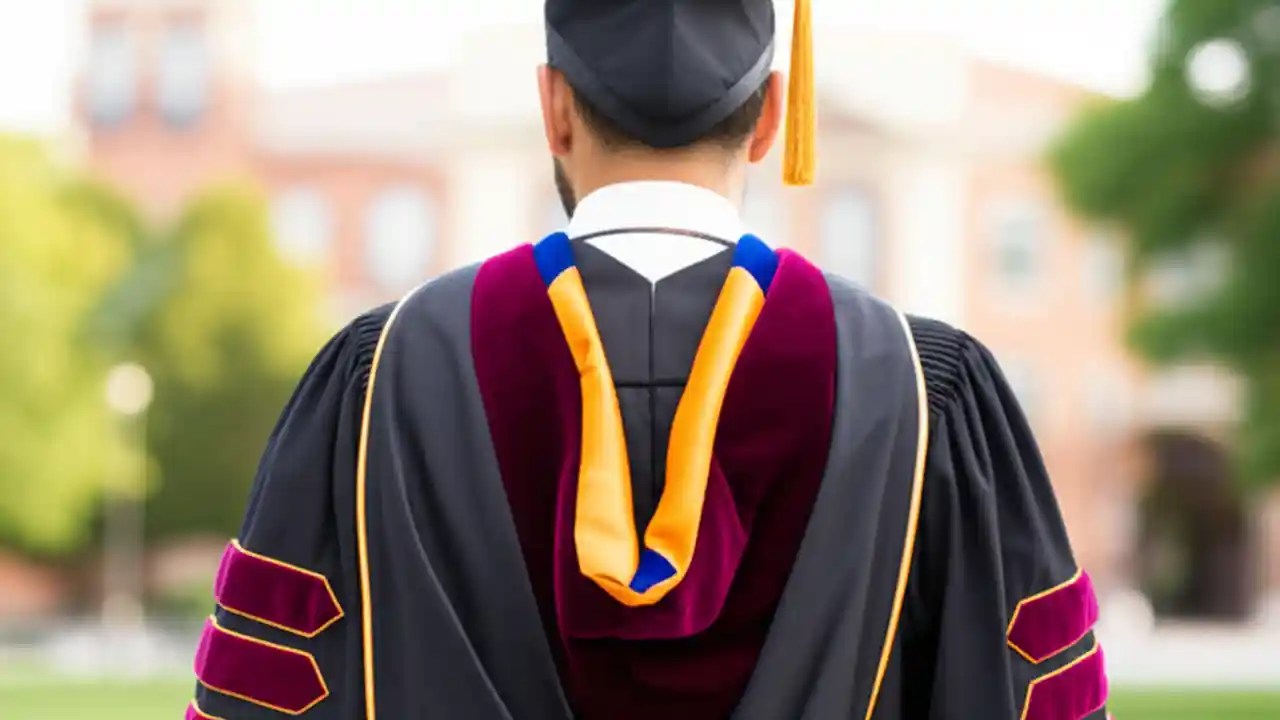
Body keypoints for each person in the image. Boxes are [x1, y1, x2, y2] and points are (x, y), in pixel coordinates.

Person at [185, 1, 1108, 718]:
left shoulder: (387, 372)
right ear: (771, 116)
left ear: (553, 108)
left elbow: (264, 694)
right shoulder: (919, 385)